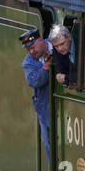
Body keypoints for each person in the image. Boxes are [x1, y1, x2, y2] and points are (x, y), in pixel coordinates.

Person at [20, 29, 53, 160]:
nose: (31, 52)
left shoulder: (57, 44)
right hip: (45, 107)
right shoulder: (28, 63)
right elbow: (34, 80)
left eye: (32, 47)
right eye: (28, 50)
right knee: (49, 144)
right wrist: (45, 68)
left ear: (41, 40)